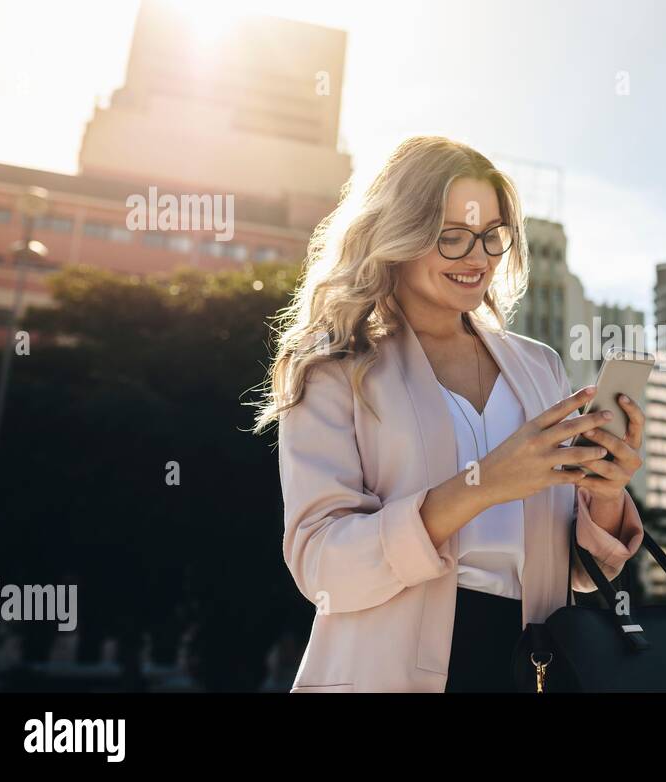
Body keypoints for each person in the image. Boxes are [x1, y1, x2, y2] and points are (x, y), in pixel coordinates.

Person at [252, 136, 646, 692]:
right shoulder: (334, 366)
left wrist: (606, 492)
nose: (478, 257)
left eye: (491, 236)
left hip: (532, 665)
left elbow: (580, 575)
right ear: (399, 235)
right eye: (453, 236)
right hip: (384, 671)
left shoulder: (540, 367)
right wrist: (482, 486)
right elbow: (322, 565)